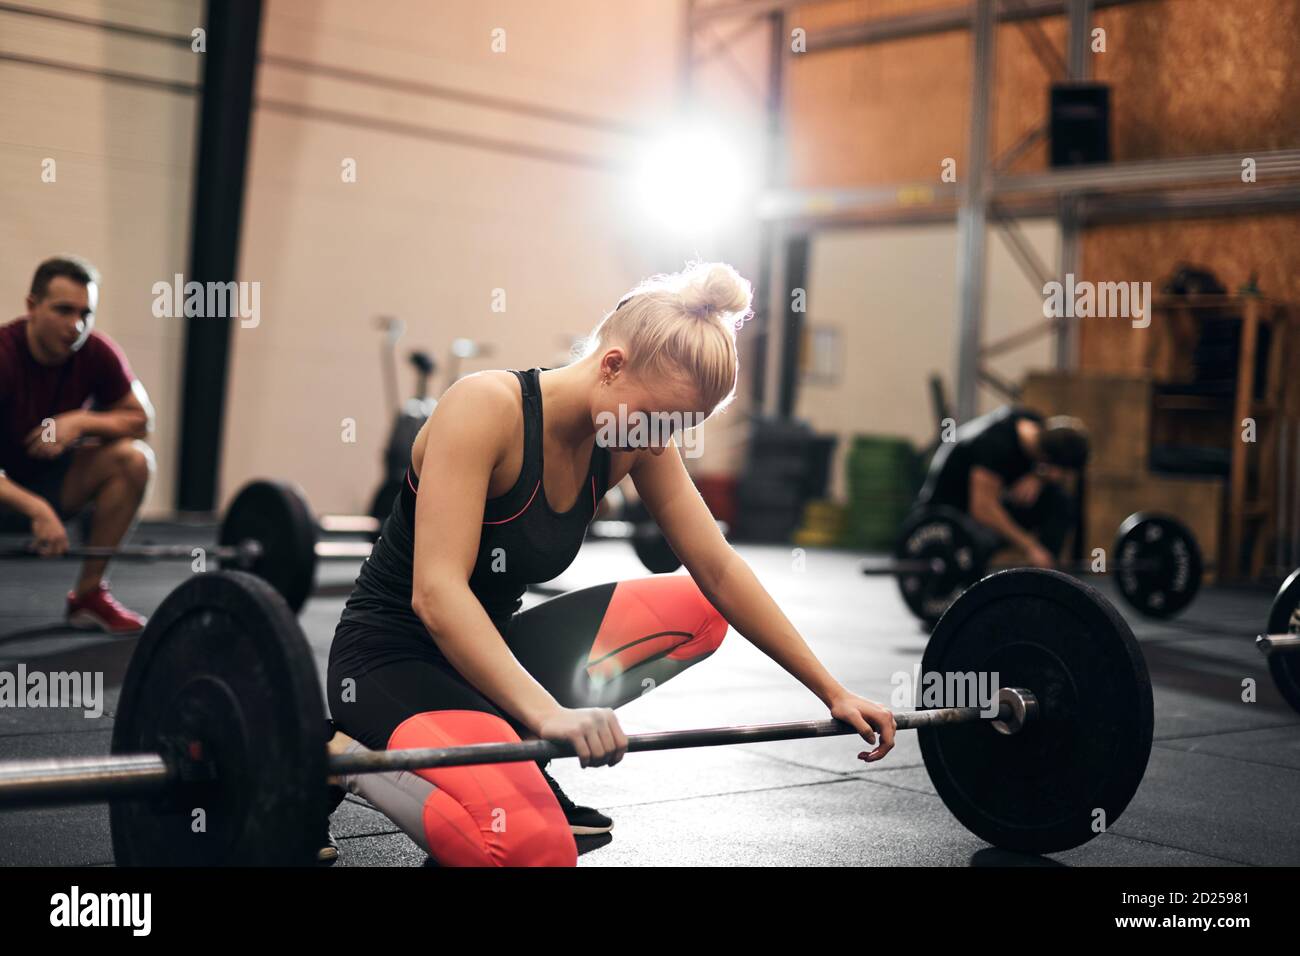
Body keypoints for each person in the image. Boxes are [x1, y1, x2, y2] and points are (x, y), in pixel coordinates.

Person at [324, 262, 897, 867]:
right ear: (613, 364)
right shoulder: (485, 408)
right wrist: (547, 713)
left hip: (492, 657)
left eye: (678, 428)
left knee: (700, 610)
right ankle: (340, 760)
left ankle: (507, 747)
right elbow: (437, 597)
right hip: (392, 660)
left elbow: (719, 570)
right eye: (657, 420)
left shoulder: (632, 437)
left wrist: (832, 690)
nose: (657, 444)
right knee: (532, 850)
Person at [0, 256, 156, 633]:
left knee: (134, 460)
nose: (76, 325)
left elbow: (142, 420)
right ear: (32, 307)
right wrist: (34, 508)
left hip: (51, 484)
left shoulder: (97, 353)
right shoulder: (4, 355)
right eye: (64, 310)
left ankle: (88, 596)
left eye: (86, 313)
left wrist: (80, 421)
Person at [915, 405, 1089, 568]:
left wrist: (1037, 477)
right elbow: (982, 509)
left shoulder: (1032, 424)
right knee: (985, 538)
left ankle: (1045, 575)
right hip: (945, 516)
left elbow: (1039, 464)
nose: (1062, 479)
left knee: (1059, 501)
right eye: (1063, 473)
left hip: (981, 505)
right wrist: (1030, 546)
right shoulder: (995, 444)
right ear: (1050, 462)